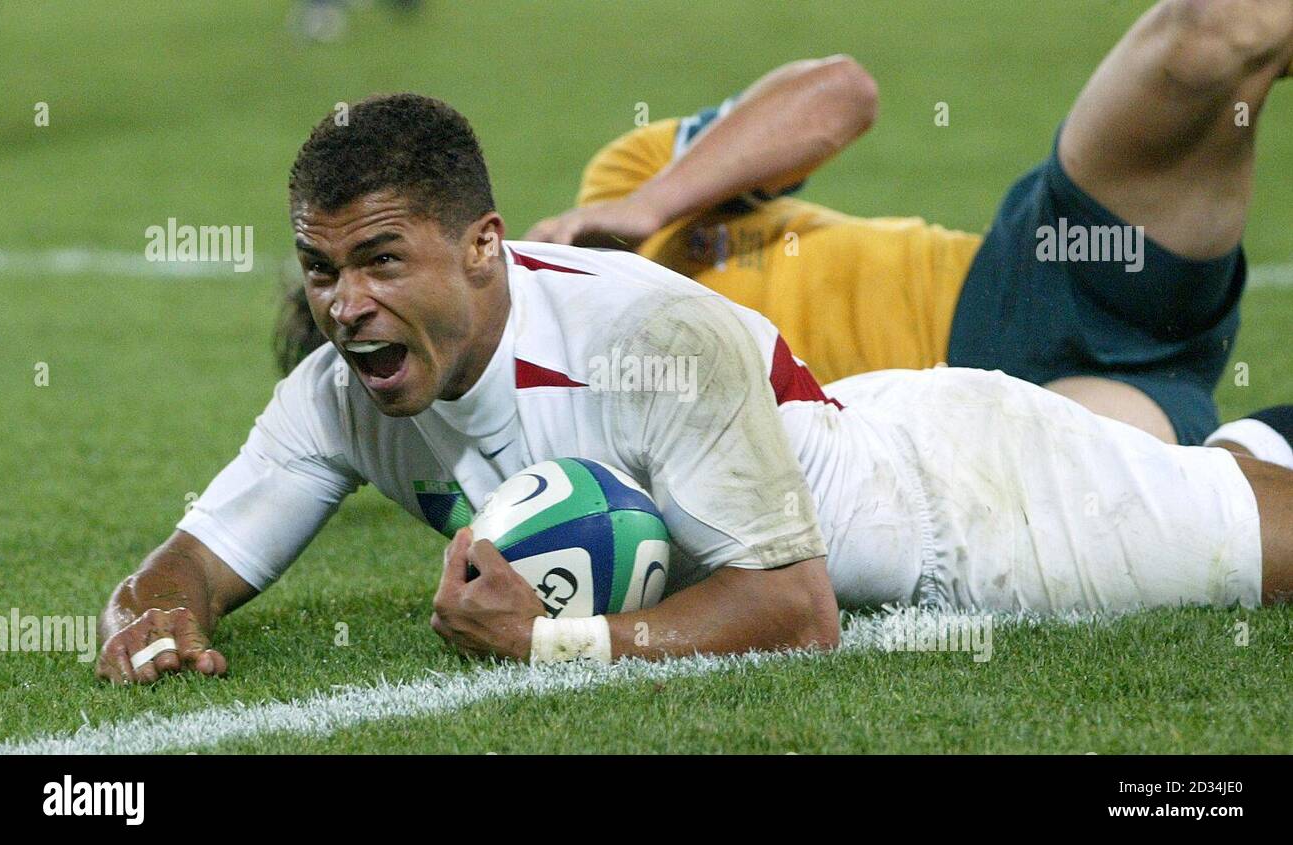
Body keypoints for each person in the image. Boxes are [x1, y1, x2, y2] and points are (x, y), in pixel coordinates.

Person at [96, 85, 1293, 680]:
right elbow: (194, 557)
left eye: (375, 261)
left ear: (481, 246)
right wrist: (152, 622)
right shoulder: (338, 389)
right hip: (856, 446)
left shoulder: (643, 329)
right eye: (319, 267)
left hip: (967, 503)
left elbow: (796, 612)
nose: (343, 304)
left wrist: (550, 641)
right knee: (1234, 473)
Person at [522, 2, 1293, 449]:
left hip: (1027, 276)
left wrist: (650, 207)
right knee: (1170, 509)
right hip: (975, 439)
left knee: (1216, 31)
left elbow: (840, 94)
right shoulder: (583, 426)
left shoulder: (625, 186)